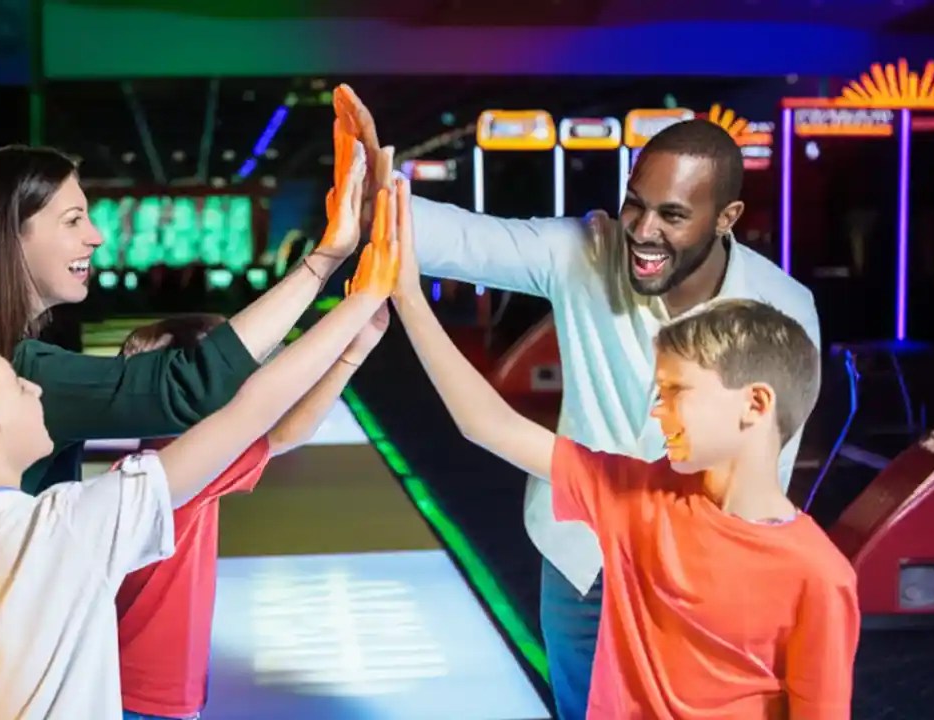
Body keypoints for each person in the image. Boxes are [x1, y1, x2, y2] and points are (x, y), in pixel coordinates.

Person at [0, 138, 370, 718]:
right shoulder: (13, 389)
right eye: (73, 219)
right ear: (9, 239)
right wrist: (329, 264)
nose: (95, 236)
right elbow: (197, 388)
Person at [333, 85, 823, 719]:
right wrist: (378, 193)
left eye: (672, 216)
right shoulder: (585, 251)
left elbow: (768, 482)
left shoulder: (783, 308)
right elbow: (468, 241)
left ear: (726, 217)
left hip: (704, 581)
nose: (643, 232)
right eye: (634, 206)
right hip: (583, 559)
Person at [111, 309, 387, 720]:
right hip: (147, 696)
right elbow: (286, 432)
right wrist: (352, 352)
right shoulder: (180, 471)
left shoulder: (152, 461)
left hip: (133, 687)